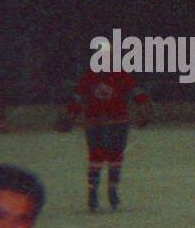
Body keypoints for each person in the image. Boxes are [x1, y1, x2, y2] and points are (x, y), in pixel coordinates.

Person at [59, 69, 151, 212]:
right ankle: (95, 192)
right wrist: (71, 113)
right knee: (98, 157)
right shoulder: (91, 75)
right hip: (99, 122)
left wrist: (143, 106)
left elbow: (136, 93)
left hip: (115, 122)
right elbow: (78, 98)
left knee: (113, 156)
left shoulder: (120, 74)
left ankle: (109, 190)